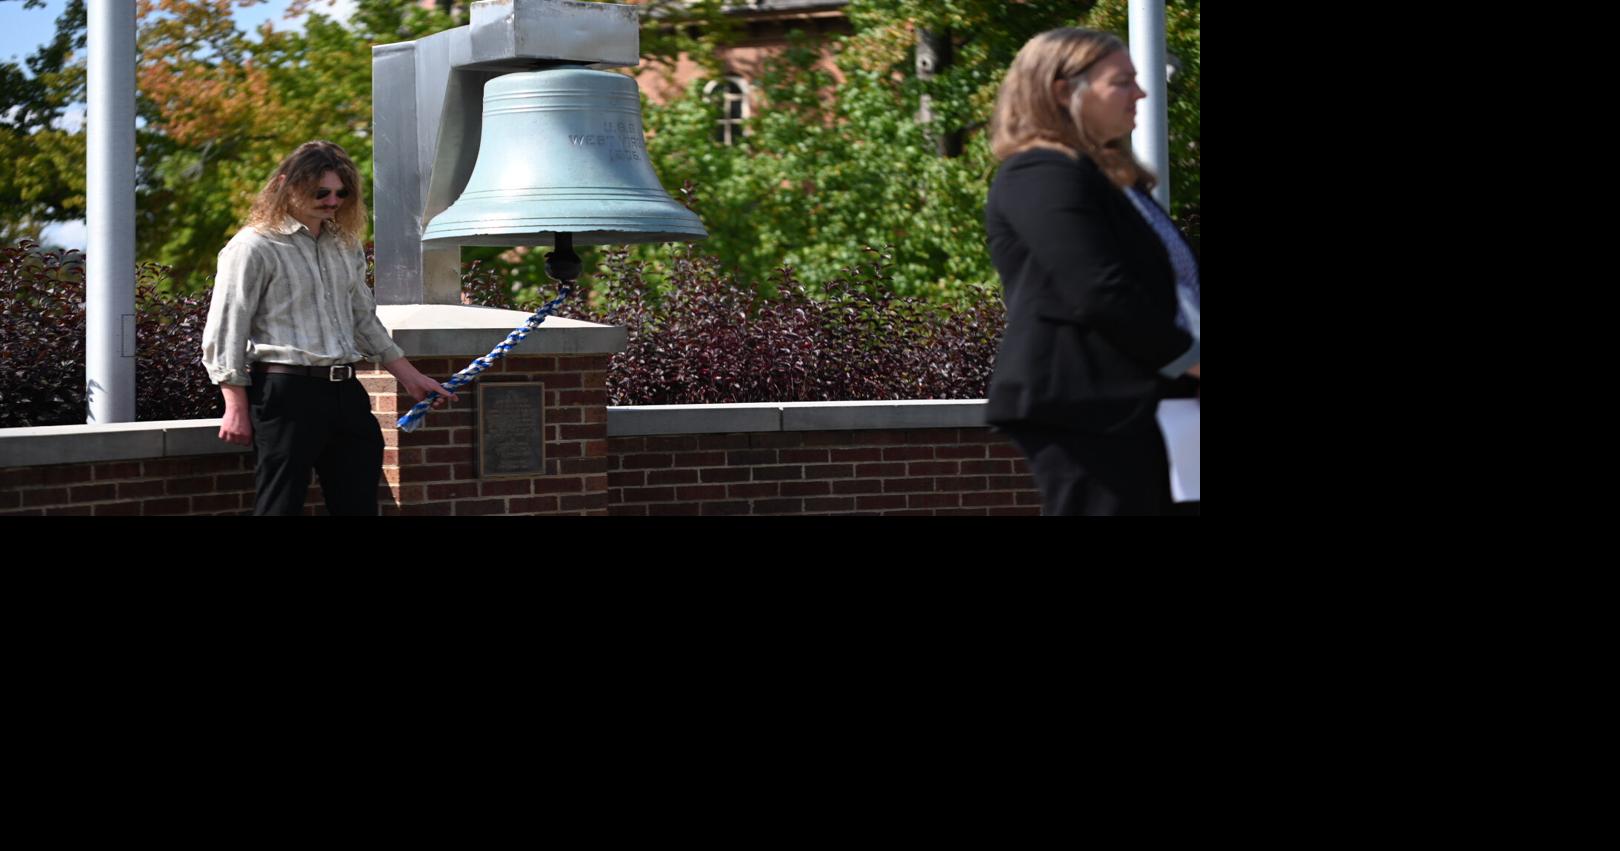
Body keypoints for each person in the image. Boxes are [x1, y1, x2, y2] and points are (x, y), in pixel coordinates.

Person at [983, 28, 1200, 516]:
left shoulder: (1115, 181)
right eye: (1121, 81)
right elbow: (1099, 290)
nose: (1140, 93)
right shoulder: (1038, 173)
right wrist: (1192, 358)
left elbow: (1171, 288)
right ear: (1063, 91)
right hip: (1089, 408)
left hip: (1147, 406)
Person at [202, 140, 458, 515]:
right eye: (321, 192)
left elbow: (363, 319)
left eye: (342, 193)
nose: (333, 201)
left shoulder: (345, 245)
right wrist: (235, 405)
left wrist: (409, 376)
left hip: (346, 393)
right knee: (280, 508)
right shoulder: (253, 246)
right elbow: (227, 329)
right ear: (288, 184)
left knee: (358, 507)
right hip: (284, 392)